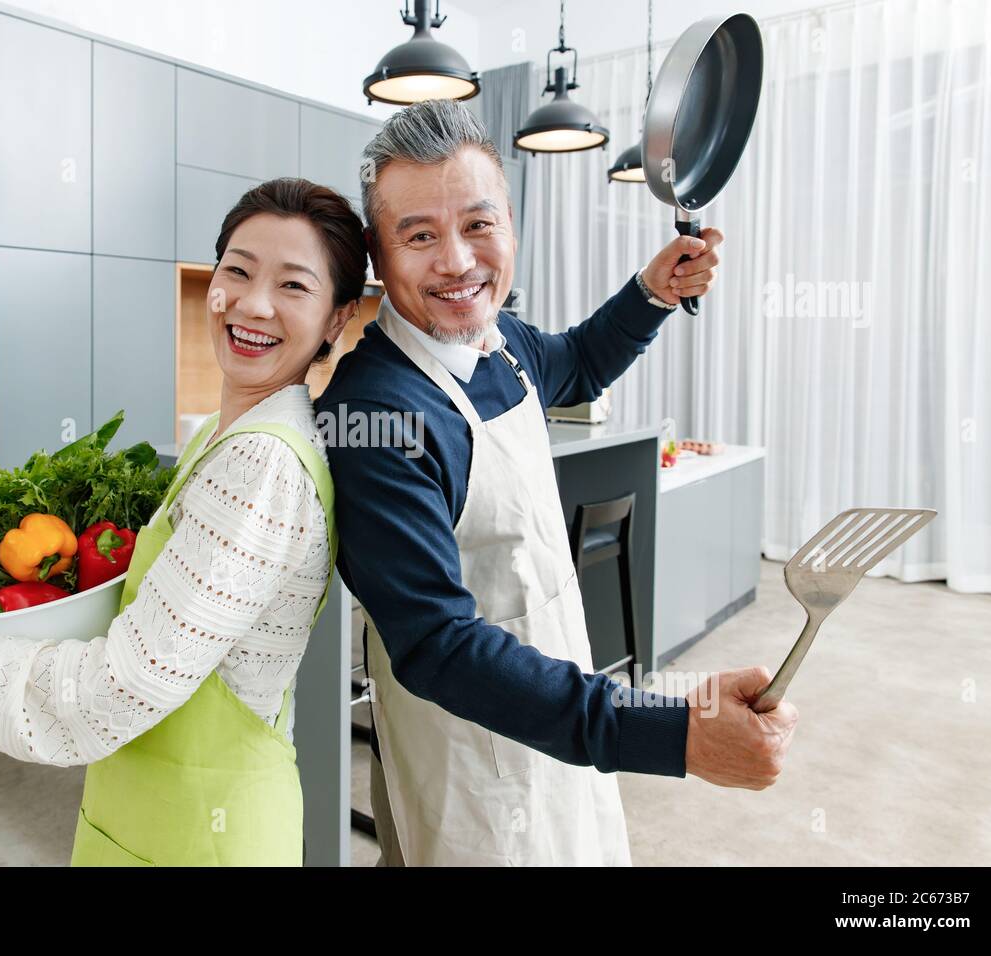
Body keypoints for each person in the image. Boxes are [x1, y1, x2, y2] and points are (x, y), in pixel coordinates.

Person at [317, 99, 800, 866]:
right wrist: (675, 734)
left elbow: (574, 361)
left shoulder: (499, 339)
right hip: (467, 754)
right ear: (378, 254)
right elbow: (438, 645)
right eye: (419, 236)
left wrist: (651, 292)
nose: (456, 261)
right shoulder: (376, 413)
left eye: (478, 225)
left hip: (561, 703)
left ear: (511, 224)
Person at [0, 178, 366, 866]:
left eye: (294, 286)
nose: (253, 303)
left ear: (336, 318)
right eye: (236, 270)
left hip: (203, 838)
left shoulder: (261, 466)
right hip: (148, 816)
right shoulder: (221, 434)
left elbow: (124, 686)